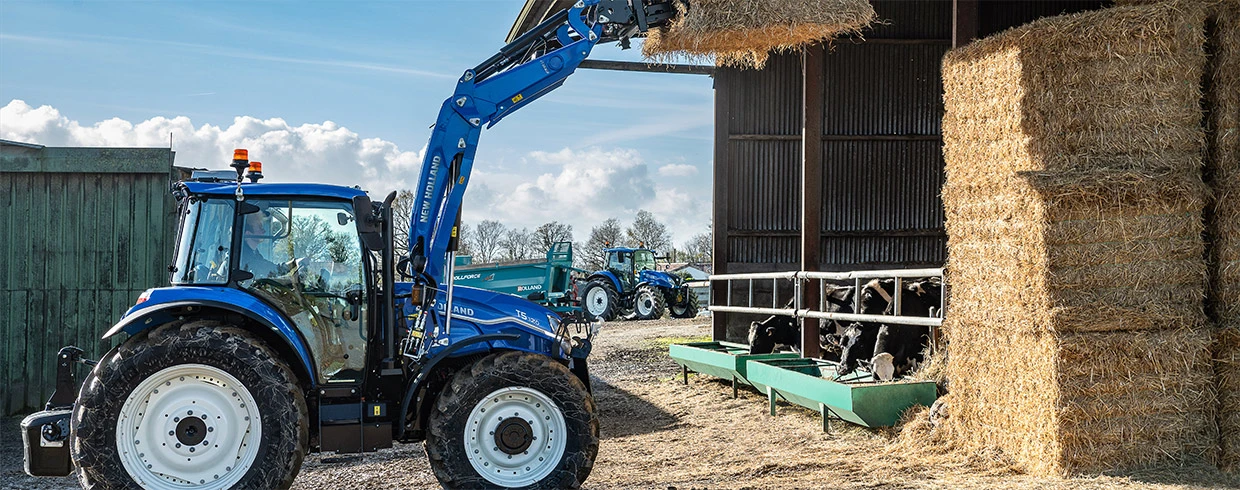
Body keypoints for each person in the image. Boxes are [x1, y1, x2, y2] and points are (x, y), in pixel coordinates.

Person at [241, 212, 280, 279]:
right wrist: (291, 264)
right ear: (248, 234)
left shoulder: (255, 253)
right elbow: (266, 268)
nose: (264, 231)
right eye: (260, 228)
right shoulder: (242, 255)